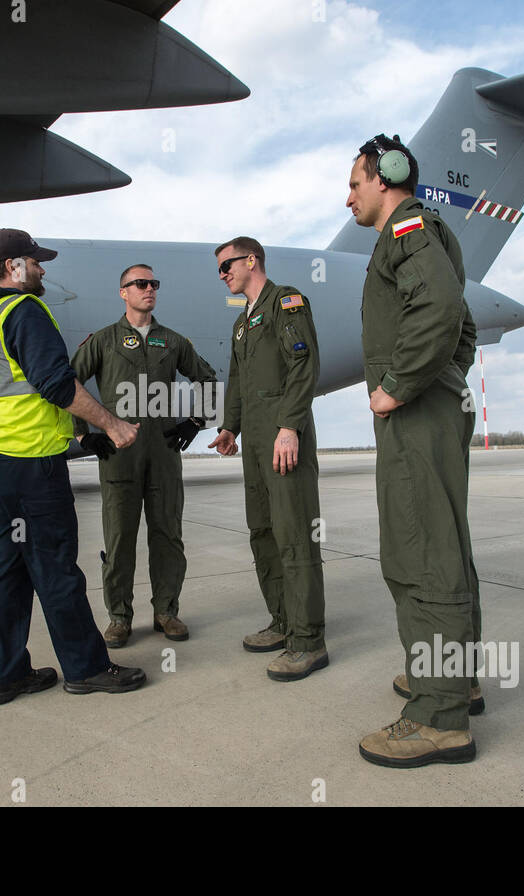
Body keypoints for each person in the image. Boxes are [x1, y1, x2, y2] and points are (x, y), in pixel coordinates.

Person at [0, 228, 147, 704]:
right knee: (56, 568)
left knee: (6, 567)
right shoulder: (23, 310)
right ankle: (86, 669)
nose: (43, 269)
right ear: (13, 267)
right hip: (29, 462)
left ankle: (5, 676)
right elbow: (56, 384)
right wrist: (112, 425)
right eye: (35, 261)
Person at [346, 135, 482, 767]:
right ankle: (450, 679)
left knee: (422, 552)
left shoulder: (406, 229)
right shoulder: (427, 230)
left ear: (386, 177)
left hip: (416, 409)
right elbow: (465, 325)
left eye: (355, 183)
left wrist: (397, 388)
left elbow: (442, 308)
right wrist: (442, 378)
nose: (348, 196)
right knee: (438, 544)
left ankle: (439, 716)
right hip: (430, 403)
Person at [71, 264, 219, 648]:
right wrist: (83, 436)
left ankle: (166, 612)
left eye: (154, 283)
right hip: (119, 456)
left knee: (168, 536)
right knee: (119, 538)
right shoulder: (103, 341)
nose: (149, 289)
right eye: (140, 284)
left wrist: (195, 421)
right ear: (123, 292)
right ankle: (119, 617)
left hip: (164, 453)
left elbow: (207, 378)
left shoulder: (173, 341)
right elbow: (69, 382)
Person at [206, 237, 328, 681]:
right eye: (219, 270)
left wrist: (290, 426)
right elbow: (236, 382)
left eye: (227, 266)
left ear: (251, 260)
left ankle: (308, 640)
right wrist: (228, 428)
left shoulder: (286, 302)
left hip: (282, 437)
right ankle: (282, 621)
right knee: (263, 531)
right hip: (255, 443)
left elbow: (304, 365)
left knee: (294, 532)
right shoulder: (243, 321)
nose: (222, 274)